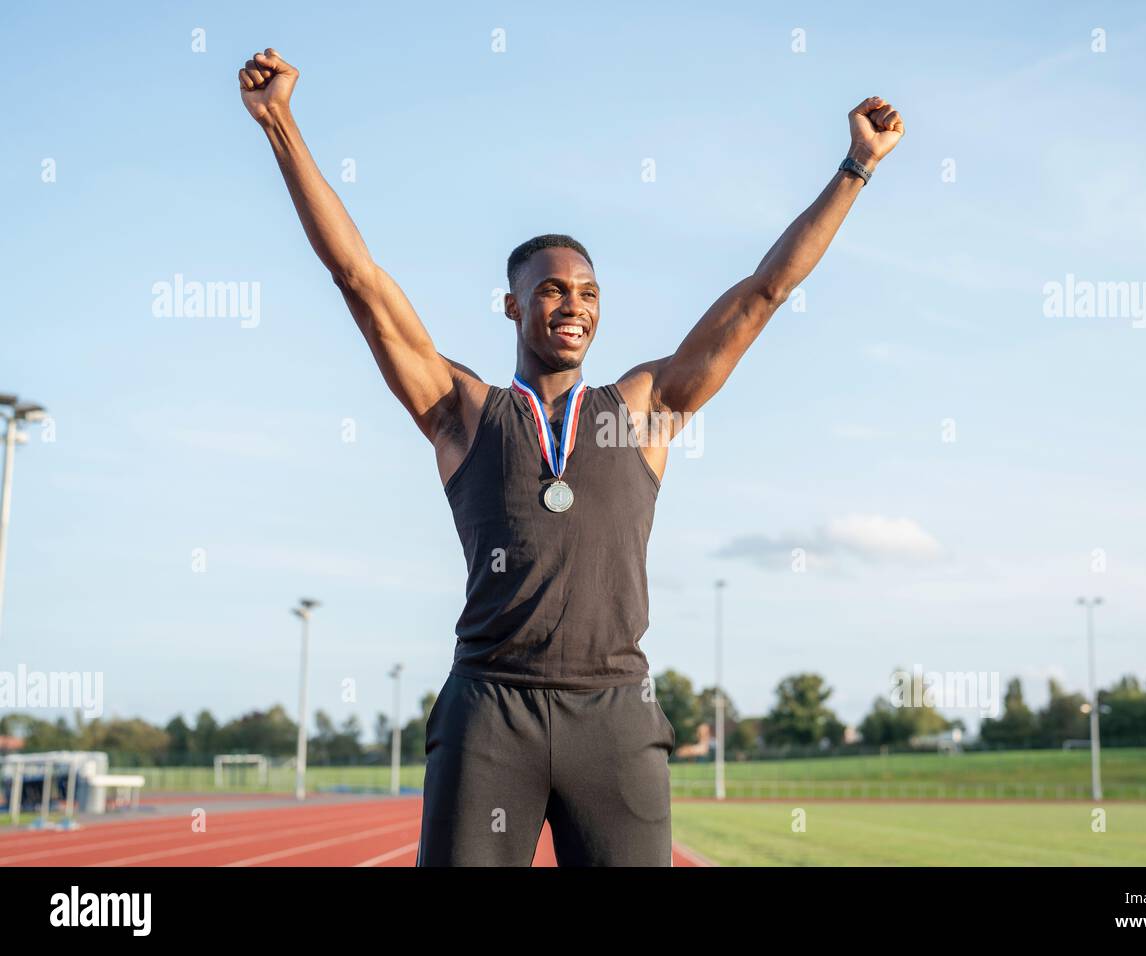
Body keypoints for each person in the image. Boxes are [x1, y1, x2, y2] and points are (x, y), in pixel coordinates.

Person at [237, 47, 905, 866]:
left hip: (614, 715)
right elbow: (358, 279)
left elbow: (764, 292)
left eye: (588, 292)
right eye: (552, 289)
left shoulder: (641, 409)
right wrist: (280, 122)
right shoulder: (464, 413)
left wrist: (854, 168)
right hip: (491, 711)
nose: (573, 304)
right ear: (513, 303)